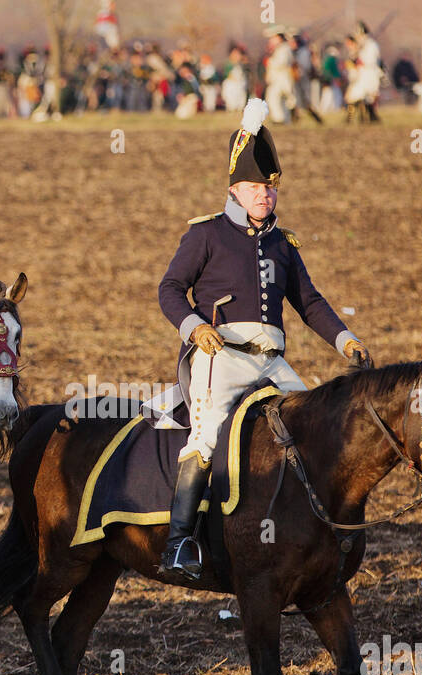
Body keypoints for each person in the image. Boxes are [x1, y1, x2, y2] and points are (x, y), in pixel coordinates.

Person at [154, 99, 371, 581]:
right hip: (220, 353)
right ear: (234, 189)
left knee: (319, 430)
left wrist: (346, 341)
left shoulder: (282, 245)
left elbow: (310, 303)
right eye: (254, 188)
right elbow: (169, 290)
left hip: (273, 361)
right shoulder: (206, 234)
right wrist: (196, 327)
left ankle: (320, 531)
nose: (264, 197)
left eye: (269, 189)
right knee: (206, 436)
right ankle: (179, 543)